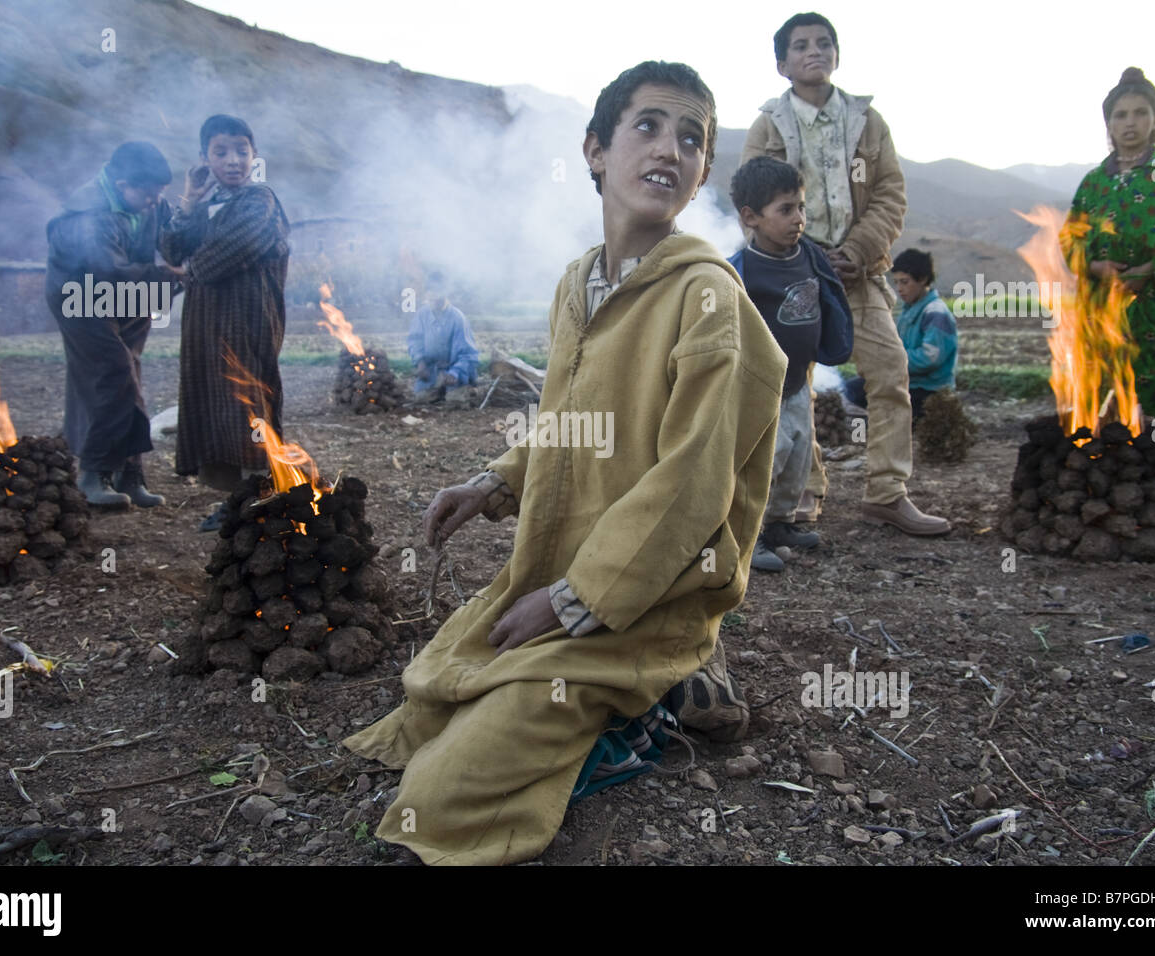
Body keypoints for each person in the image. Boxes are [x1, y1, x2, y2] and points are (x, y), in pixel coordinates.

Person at [343, 61, 786, 865]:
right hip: (567, 566)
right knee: (433, 687)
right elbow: (569, 420)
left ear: (702, 176)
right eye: (647, 127)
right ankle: (651, 693)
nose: (670, 149)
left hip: (648, 584)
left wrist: (575, 599)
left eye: (691, 139)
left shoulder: (706, 297)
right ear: (594, 151)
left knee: (440, 796)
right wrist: (495, 481)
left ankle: (641, 709)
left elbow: (693, 483)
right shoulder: (578, 284)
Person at [740, 12, 950, 536]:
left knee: (890, 373)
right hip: (794, 277)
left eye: (824, 43)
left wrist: (858, 248)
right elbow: (754, 195)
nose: (815, 51)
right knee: (791, 384)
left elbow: (889, 193)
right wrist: (805, 255)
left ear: (837, 55)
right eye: (801, 45)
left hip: (859, 273)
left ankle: (887, 492)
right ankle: (802, 492)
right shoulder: (770, 125)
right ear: (782, 64)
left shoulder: (866, 122)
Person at [1060, 68, 1155, 452]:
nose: (1130, 122)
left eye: (1140, 112)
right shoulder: (1095, 182)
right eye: (1120, 115)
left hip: (1147, 305)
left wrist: (1149, 271)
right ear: (1108, 123)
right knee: (1091, 387)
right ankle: (1088, 462)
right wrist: (1093, 266)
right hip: (1096, 305)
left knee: (1149, 386)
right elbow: (1068, 239)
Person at [159, 115, 291, 531]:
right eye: (221, 152)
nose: (233, 160)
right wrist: (190, 203)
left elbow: (238, 245)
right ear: (204, 158)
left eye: (241, 151)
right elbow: (171, 248)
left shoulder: (259, 201)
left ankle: (262, 492)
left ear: (254, 155)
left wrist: (190, 269)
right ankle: (238, 498)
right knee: (215, 404)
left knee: (247, 401)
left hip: (248, 320)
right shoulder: (207, 206)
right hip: (205, 326)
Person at [727, 157, 852, 572]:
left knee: (798, 454)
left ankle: (780, 523)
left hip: (799, 383)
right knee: (765, 461)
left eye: (801, 207)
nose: (799, 218)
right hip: (760, 388)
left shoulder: (809, 256)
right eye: (785, 209)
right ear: (751, 217)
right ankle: (749, 534)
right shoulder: (739, 271)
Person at [45, 141, 179, 508]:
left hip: (132, 294)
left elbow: (174, 231)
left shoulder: (149, 200)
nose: (155, 202)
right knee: (112, 373)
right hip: (82, 298)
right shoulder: (85, 214)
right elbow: (109, 271)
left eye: (159, 195)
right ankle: (93, 472)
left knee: (130, 374)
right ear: (123, 186)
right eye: (149, 196)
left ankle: (129, 474)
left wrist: (194, 210)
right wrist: (169, 275)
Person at [842, 248, 956, 421]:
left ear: (923, 280)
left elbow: (930, 357)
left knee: (863, 399)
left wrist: (890, 362)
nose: (900, 289)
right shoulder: (909, 310)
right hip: (906, 382)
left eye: (905, 282)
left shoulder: (935, 312)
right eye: (896, 283)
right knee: (850, 388)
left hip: (926, 390)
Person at [406, 272, 479, 400]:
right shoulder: (422, 314)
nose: (433, 297)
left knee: (453, 400)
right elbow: (415, 341)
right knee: (421, 398)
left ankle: (469, 388)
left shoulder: (458, 318)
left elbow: (468, 355)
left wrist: (454, 373)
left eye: (437, 293)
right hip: (432, 371)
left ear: (445, 294)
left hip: (455, 372)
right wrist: (420, 363)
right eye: (430, 293)